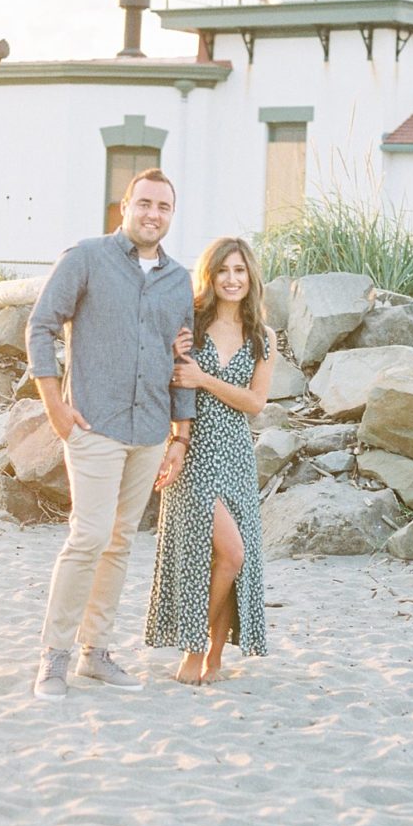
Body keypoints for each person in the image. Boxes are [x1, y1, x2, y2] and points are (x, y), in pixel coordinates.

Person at [28, 170, 194, 702]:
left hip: (149, 429)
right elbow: (40, 326)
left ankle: (94, 653)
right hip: (93, 424)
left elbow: (181, 359)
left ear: (171, 215)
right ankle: (52, 657)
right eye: (144, 203)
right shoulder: (86, 257)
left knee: (120, 542)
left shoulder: (178, 281)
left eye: (163, 207)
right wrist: (54, 405)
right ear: (124, 206)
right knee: (89, 536)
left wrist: (179, 435)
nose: (153, 214)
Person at [145, 236, 276, 685]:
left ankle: (214, 657)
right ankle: (193, 646)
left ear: (250, 277)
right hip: (194, 450)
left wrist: (204, 378)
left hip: (237, 455)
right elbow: (169, 383)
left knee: (228, 558)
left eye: (240, 271)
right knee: (223, 551)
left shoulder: (262, 337)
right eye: (224, 271)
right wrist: (172, 440)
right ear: (211, 275)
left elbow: (255, 402)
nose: (232, 279)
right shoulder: (191, 326)